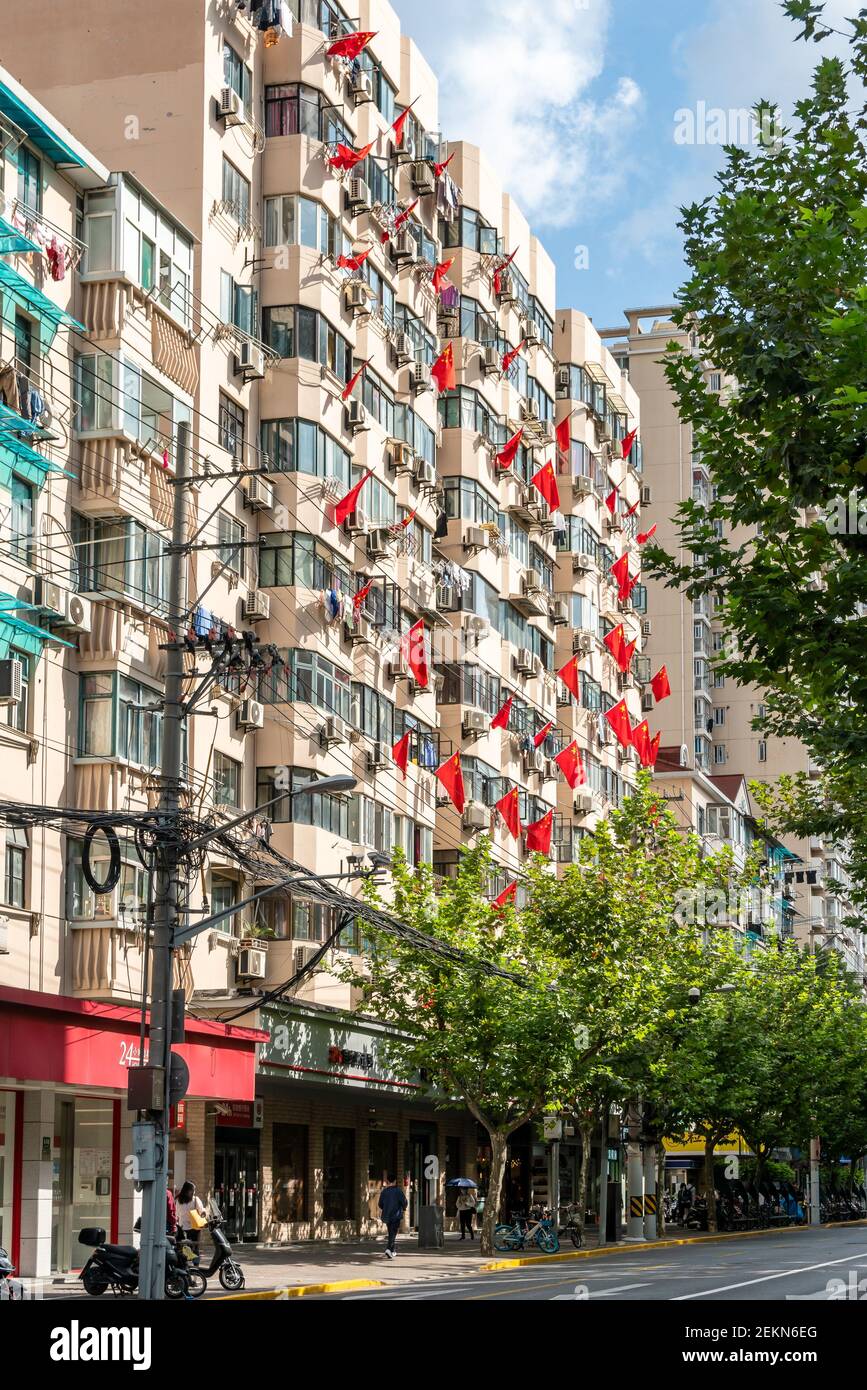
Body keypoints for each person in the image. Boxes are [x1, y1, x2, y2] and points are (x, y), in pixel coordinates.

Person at [378, 1173, 407, 1260]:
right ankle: (388, 1249)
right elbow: (404, 1202)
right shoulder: (398, 1191)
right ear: (395, 1181)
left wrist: (386, 1208)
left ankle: (392, 1250)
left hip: (387, 1215)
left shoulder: (384, 1191)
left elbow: (380, 1204)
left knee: (391, 1232)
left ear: (388, 1181)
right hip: (396, 1215)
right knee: (393, 1233)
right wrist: (403, 1207)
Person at [176, 1181, 206, 1246]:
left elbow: (177, 1213)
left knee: (186, 1249)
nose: (193, 1192)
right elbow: (202, 1211)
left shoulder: (179, 1200)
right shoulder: (195, 1199)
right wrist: (203, 1213)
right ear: (186, 1190)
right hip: (193, 1228)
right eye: (192, 1190)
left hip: (184, 1227)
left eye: (194, 1190)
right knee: (194, 1248)